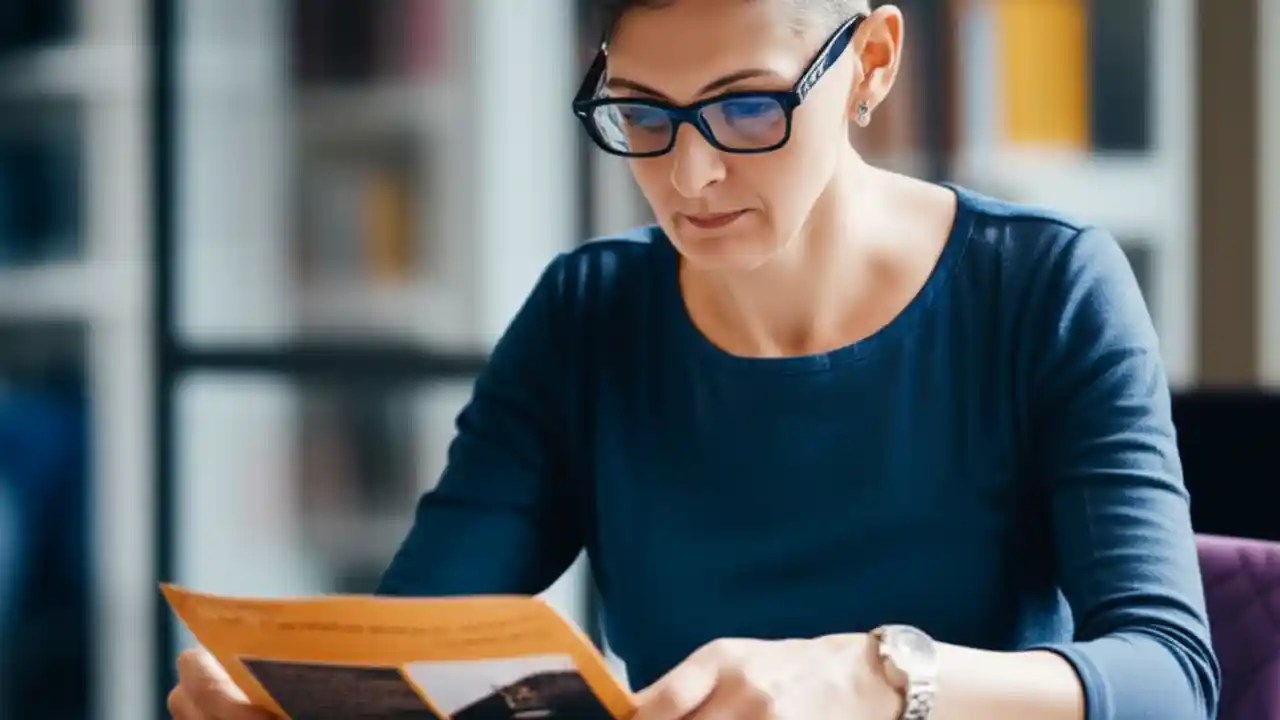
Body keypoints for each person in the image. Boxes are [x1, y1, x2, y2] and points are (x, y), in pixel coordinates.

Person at [167, 1, 1221, 718]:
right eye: (640, 113)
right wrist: (299, 695)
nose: (691, 173)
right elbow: (418, 643)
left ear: (871, 61)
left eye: (747, 105)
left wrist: (872, 676)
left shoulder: (1042, 287)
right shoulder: (587, 316)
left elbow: (1170, 679)